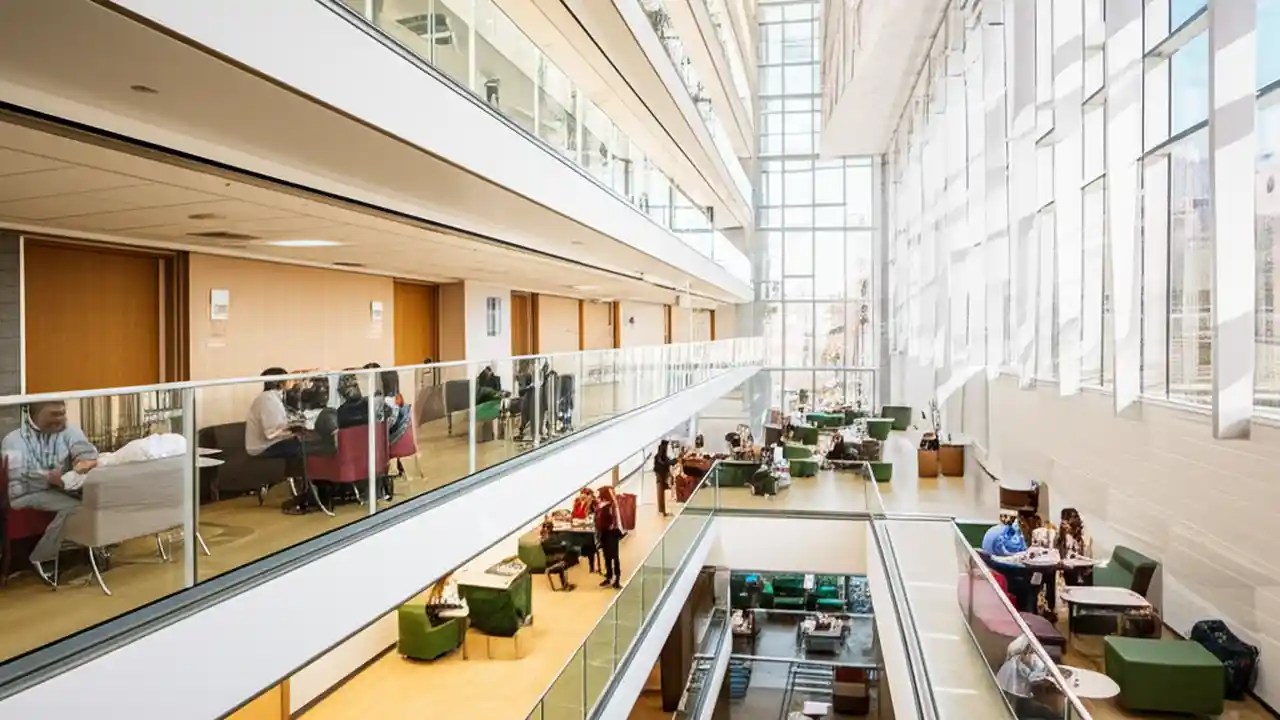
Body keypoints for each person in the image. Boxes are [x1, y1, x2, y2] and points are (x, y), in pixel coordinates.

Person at [2, 401, 98, 585]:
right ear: (36, 415)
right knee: (75, 507)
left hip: (62, 487)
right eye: (54, 414)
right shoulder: (13, 440)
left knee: (97, 499)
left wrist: (83, 461)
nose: (61, 418)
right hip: (27, 493)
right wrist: (55, 480)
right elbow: (20, 477)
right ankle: (43, 557)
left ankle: (88, 551)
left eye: (62, 413)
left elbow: (86, 453)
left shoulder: (70, 430)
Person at [995, 636, 1059, 718]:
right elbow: (1032, 678)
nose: (1031, 654)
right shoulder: (1018, 663)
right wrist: (1045, 676)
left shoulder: (1019, 660)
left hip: (1015, 691)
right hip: (1015, 692)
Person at [246, 368, 303, 458]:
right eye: (288, 379)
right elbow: (271, 433)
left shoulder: (272, 397)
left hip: (270, 443)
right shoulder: (268, 399)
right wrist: (293, 432)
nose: (292, 382)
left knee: (301, 441)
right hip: (263, 447)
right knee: (302, 446)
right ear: (280, 382)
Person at [594, 486, 623, 589]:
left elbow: (615, 519)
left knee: (614, 556)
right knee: (606, 556)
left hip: (612, 533)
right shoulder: (599, 506)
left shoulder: (612, 505)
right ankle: (609, 576)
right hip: (603, 534)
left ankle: (617, 578)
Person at [540, 520, 580, 591]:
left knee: (571, 552)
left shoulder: (550, 536)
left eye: (549, 527)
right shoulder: (544, 539)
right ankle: (565, 583)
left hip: (557, 553)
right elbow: (548, 549)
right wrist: (561, 546)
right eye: (546, 527)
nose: (548, 529)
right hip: (552, 557)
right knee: (569, 556)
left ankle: (565, 583)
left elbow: (557, 543)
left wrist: (562, 545)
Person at [653, 440, 672, 517]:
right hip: (660, 476)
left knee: (661, 494)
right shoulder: (660, 456)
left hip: (661, 476)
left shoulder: (661, 455)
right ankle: (662, 511)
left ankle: (662, 511)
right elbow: (662, 463)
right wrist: (670, 462)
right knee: (661, 494)